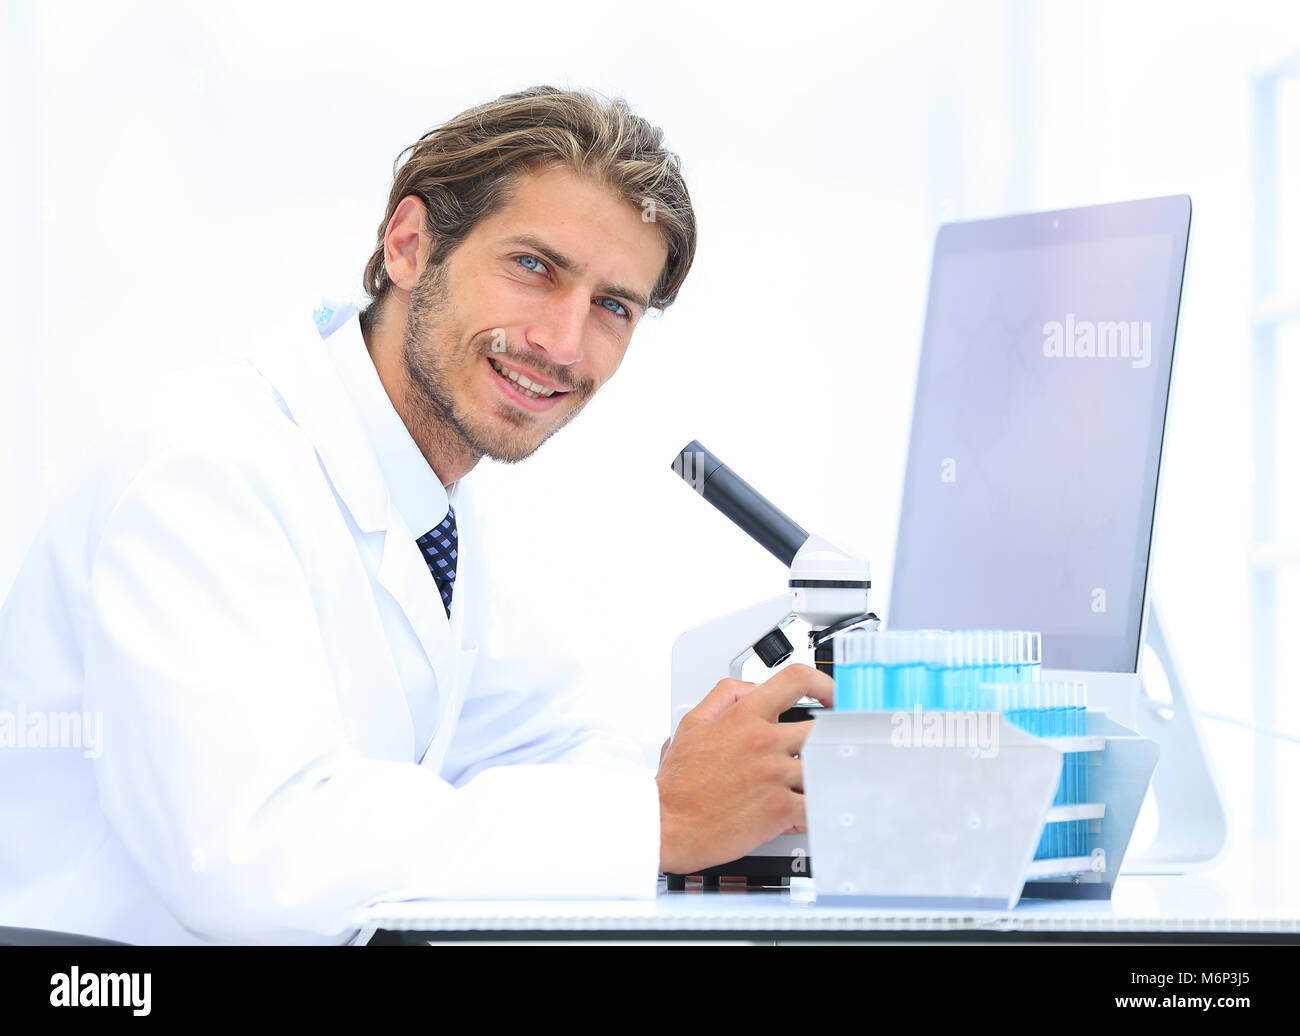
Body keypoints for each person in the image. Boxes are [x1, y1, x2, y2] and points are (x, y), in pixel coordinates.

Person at [0, 85, 831, 945]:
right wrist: (652, 823)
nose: (562, 343)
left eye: (612, 306)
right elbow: (255, 858)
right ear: (409, 245)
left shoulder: (430, 499)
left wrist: (710, 780)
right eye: (534, 266)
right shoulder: (203, 475)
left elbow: (548, 737)